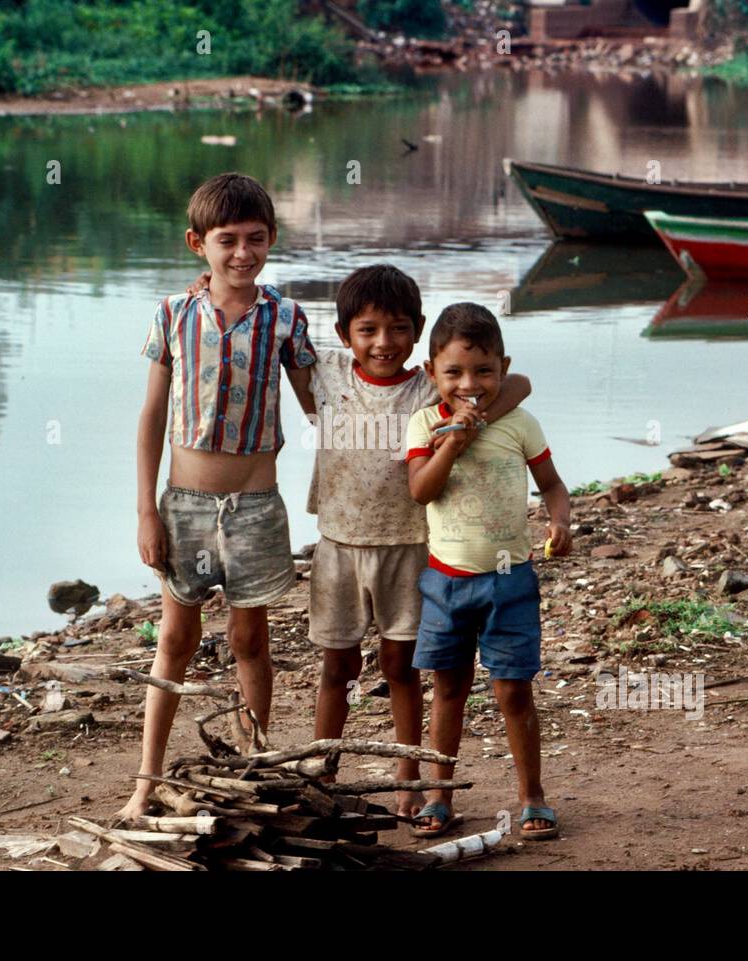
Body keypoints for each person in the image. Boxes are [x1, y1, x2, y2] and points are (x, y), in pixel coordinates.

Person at [116, 172, 316, 822]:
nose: (242, 253)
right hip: (185, 506)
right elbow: (150, 416)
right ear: (196, 243)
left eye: (255, 239)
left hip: (257, 507)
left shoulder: (285, 317)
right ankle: (146, 778)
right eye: (226, 240)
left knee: (250, 640)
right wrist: (147, 508)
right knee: (174, 638)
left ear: (272, 239)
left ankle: (256, 763)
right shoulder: (173, 314)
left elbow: (320, 403)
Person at [303, 266, 530, 819]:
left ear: (418, 332)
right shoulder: (327, 373)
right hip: (337, 544)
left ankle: (407, 776)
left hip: (409, 545)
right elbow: (275, 331)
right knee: (337, 667)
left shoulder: (431, 385)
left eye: (399, 328)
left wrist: (467, 422)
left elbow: (519, 383)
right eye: (368, 330)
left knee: (399, 667)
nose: (384, 342)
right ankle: (320, 773)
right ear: (343, 336)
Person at [404, 302, 572, 840]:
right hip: (446, 580)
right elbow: (420, 490)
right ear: (432, 373)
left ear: (503, 366)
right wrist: (452, 441)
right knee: (447, 689)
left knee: (513, 691)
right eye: (453, 372)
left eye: (483, 371)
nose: (469, 383)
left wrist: (560, 521)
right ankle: (438, 796)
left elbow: (552, 484)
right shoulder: (425, 423)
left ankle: (532, 797)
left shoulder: (520, 423)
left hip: (510, 581)